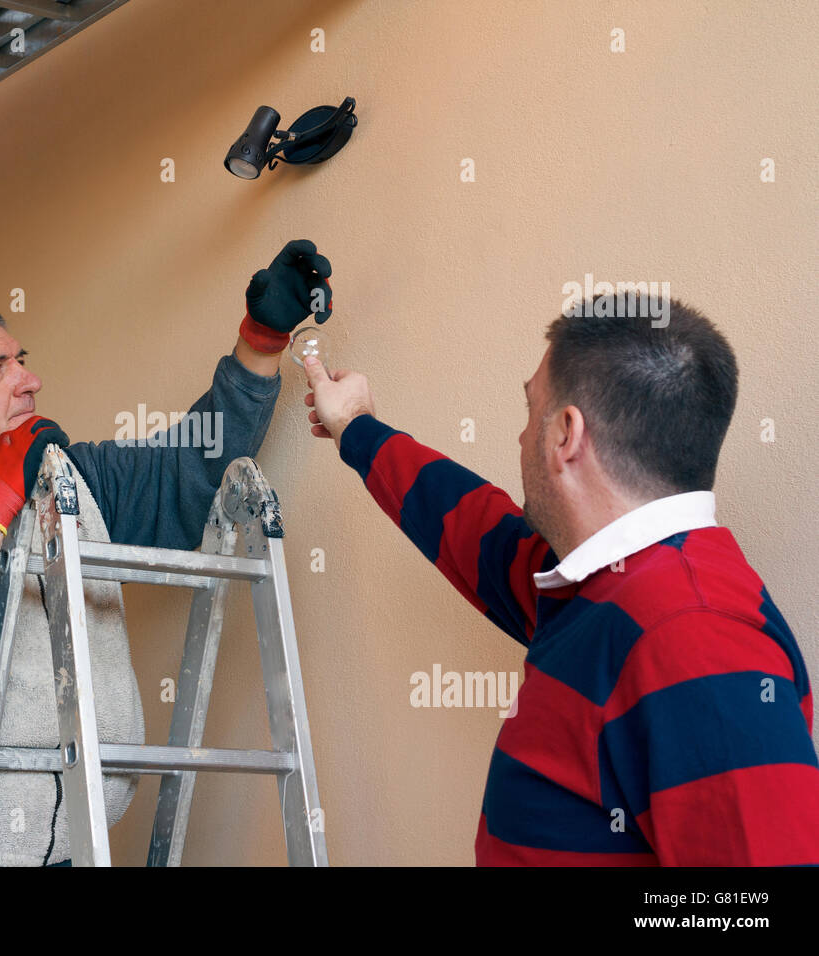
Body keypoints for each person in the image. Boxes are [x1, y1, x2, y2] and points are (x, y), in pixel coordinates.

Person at [0, 240, 332, 866]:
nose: (29, 380)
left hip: (69, 849)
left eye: (22, 361)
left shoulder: (68, 483)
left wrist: (259, 342)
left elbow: (187, 471)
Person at [302, 294, 819, 865]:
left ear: (566, 434)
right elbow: (473, 529)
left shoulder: (696, 640)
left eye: (531, 412)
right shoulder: (603, 589)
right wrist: (356, 426)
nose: (523, 439)